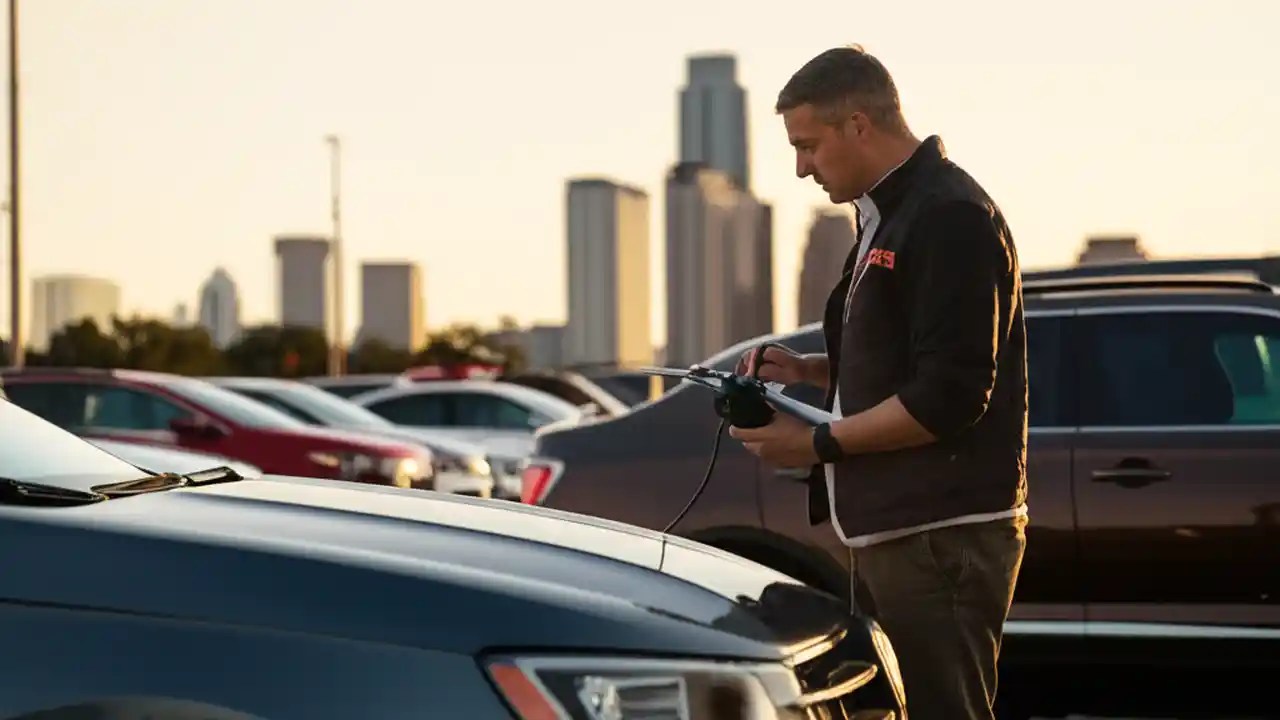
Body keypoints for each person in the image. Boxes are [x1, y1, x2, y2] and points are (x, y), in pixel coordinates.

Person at [729, 45, 1029, 720]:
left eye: (808, 146)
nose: (800, 167)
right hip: (894, 529)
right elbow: (912, 356)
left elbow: (949, 397)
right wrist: (808, 372)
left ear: (858, 125)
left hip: (941, 533)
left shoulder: (949, 215)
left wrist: (816, 444)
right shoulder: (887, 214)